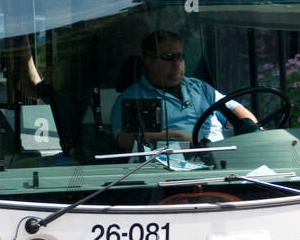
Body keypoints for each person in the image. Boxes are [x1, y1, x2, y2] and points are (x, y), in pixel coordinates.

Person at [110, 30, 260, 150]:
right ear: (149, 60)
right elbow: (127, 141)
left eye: (180, 57)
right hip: (176, 168)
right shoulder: (138, 96)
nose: (177, 64)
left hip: (223, 160)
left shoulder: (199, 87)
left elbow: (235, 108)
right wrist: (178, 138)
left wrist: (254, 130)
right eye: (168, 57)